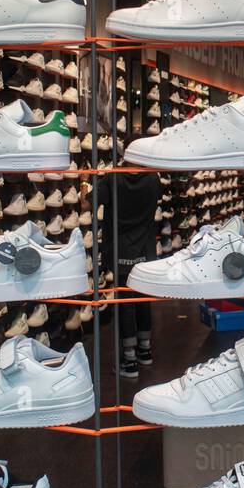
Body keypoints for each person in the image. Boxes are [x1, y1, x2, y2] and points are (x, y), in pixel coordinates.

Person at [100, 145, 160, 379]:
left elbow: (88, 203)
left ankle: (129, 359)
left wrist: (87, 182)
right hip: (145, 246)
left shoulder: (112, 179)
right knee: (142, 297)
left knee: (125, 300)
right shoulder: (154, 179)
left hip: (120, 247)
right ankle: (145, 350)